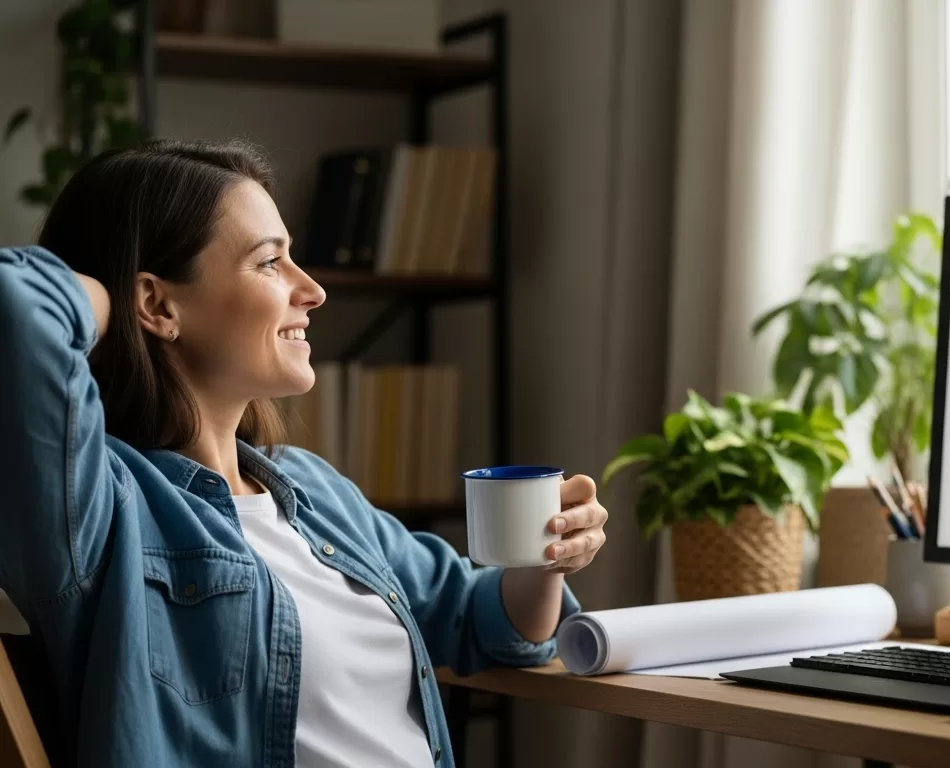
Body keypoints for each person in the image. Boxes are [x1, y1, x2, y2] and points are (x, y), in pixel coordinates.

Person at [0, 138, 607, 767]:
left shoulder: (309, 488)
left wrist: (547, 558)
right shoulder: (101, 512)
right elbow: (17, 303)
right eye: (269, 263)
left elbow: (482, 624)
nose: (312, 290)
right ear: (157, 302)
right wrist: (114, 296)